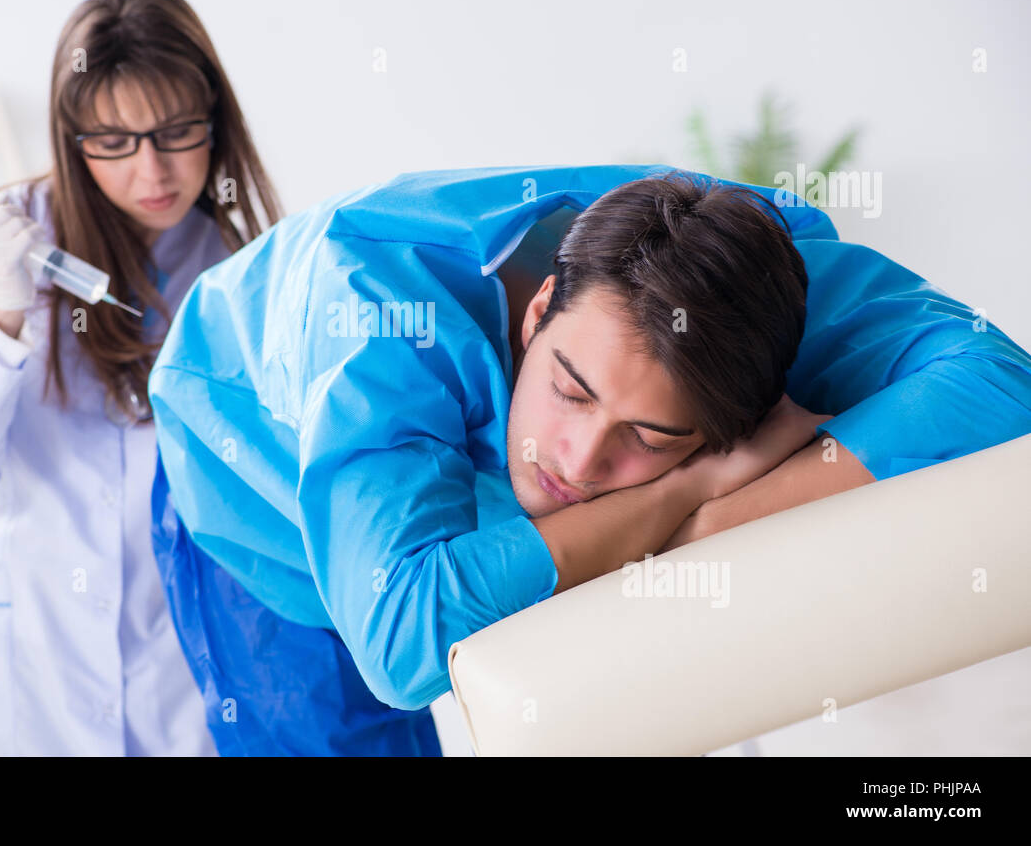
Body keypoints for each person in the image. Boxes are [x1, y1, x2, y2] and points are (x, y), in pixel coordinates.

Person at [148, 164, 1031, 756]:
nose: (576, 456)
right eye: (572, 390)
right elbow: (400, 641)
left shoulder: (768, 277)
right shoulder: (376, 319)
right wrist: (686, 490)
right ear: (537, 313)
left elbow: (999, 376)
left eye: (649, 436)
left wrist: (720, 523)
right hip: (241, 470)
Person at [0, 0, 281, 755]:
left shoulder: (243, 275)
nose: (152, 171)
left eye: (177, 131)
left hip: (168, 669)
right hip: (8, 673)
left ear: (216, 118)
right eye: (113, 141)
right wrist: (0, 314)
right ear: (71, 139)